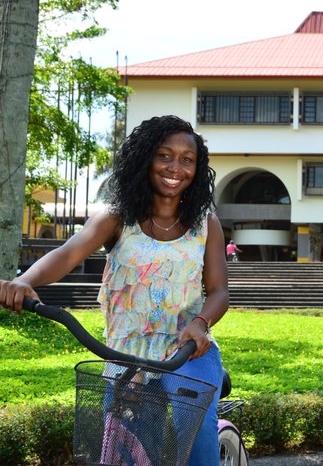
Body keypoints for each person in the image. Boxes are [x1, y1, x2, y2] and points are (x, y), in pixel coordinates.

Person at [0, 115, 229, 466]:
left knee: (194, 436)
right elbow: (69, 253)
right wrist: (25, 281)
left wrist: (199, 324)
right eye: (164, 156)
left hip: (187, 353)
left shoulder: (205, 224)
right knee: (122, 453)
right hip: (125, 359)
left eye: (187, 159)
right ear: (145, 159)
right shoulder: (117, 216)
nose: (175, 167)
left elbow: (219, 291)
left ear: (197, 169)